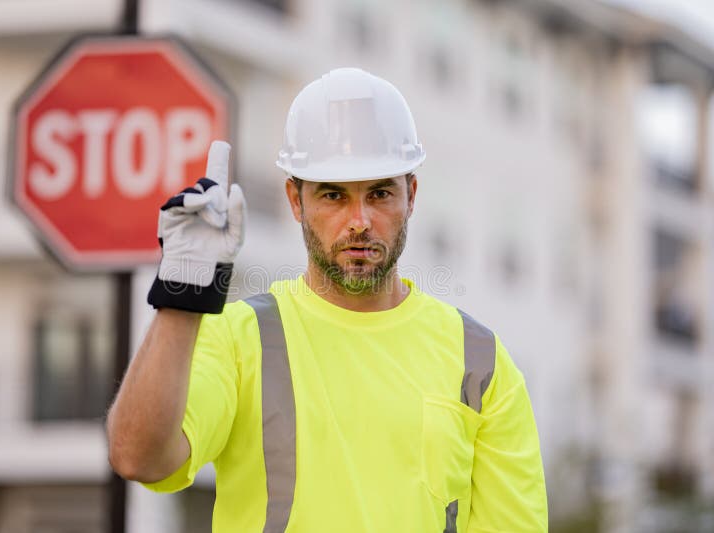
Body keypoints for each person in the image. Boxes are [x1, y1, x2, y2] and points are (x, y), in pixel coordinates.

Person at [107, 67, 548, 532]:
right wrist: (183, 291)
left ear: (412, 196)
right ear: (295, 200)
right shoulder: (239, 338)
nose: (359, 221)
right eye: (333, 195)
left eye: (380, 193)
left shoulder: (480, 360)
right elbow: (139, 457)